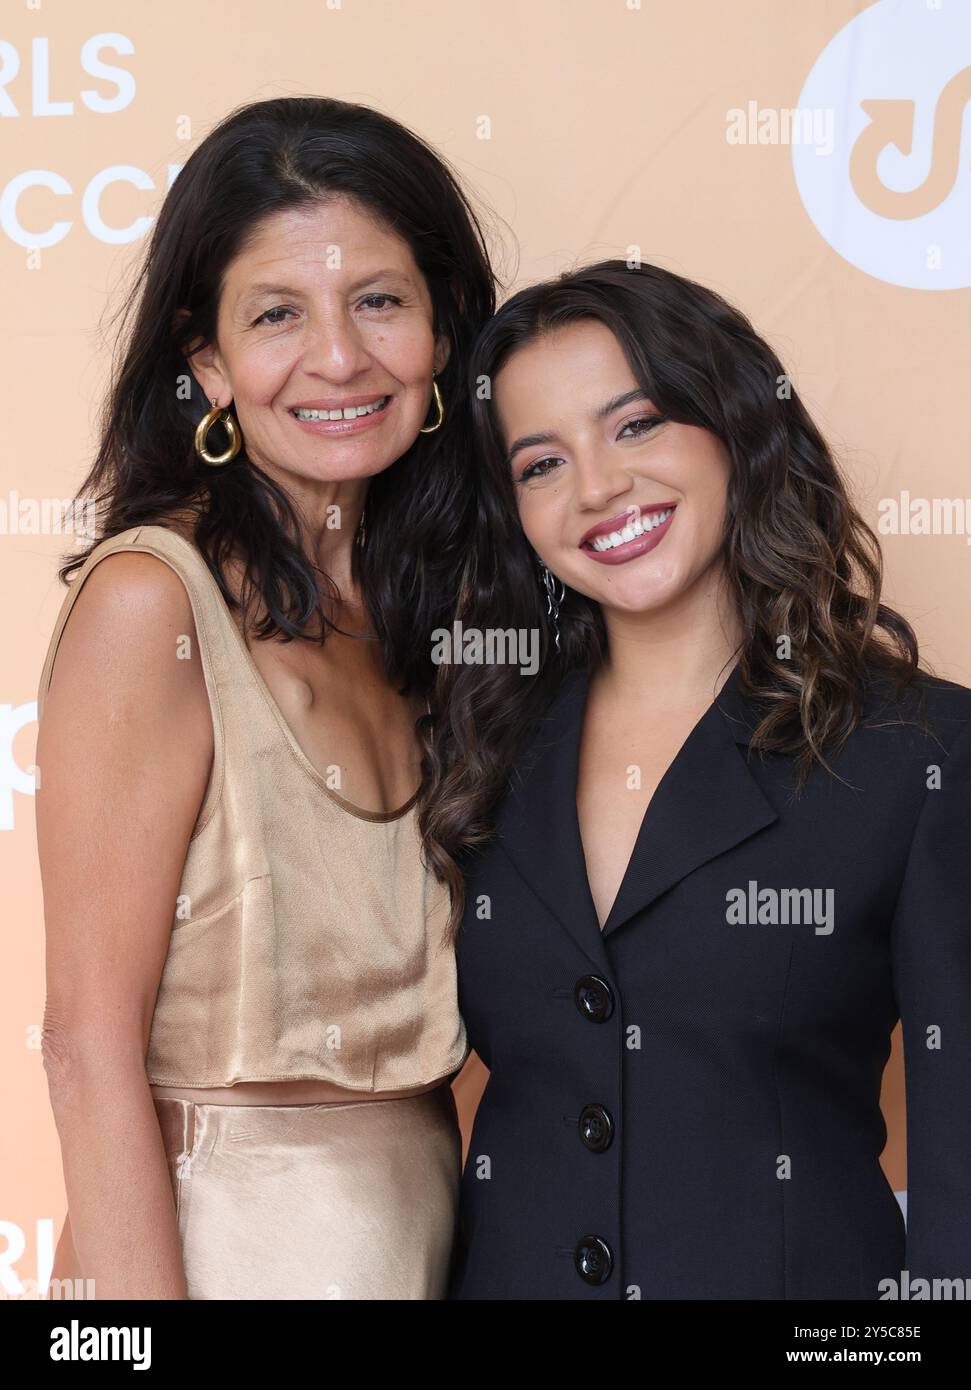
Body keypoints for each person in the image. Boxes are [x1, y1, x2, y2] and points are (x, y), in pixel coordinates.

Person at [420, 260, 971, 1299]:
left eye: (634, 426)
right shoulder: (476, 744)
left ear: (733, 427)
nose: (596, 487)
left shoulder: (921, 752)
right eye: (539, 464)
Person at [36, 95, 496, 1300]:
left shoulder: (433, 610)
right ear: (207, 360)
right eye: (278, 314)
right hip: (208, 1255)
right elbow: (85, 1047)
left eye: (380, 302)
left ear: (443, 332)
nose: (338, 357)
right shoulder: (156, 602)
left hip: (420, 1240)